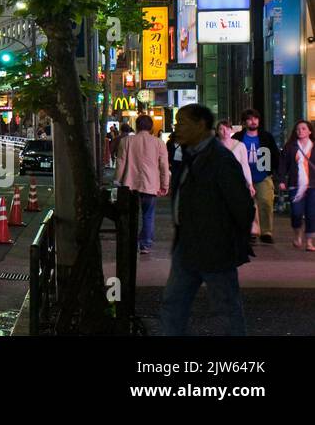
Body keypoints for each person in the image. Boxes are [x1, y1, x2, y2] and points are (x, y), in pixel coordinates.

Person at [159, 105, 254, 336]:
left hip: (215, 247)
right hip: (189, 244)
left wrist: (230, 241)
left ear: (201, 125)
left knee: (225, 309)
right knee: (174, 304)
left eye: (182, 122)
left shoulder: (220, 159)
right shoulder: (192, 156)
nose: (176, 127)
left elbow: (243, 207)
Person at [114, 113, 170, 255]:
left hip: (129, 184)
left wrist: (117, 180)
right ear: (151, 127)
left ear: (136, 126)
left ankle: (129, 242)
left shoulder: (126, 141)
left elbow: (120, 162)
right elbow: (164, 166)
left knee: (130, 215)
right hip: (150, 184)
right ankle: (145, 244)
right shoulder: (159, 143)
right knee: (148, 215)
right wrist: (165, 185)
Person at [233, 110, 279, 245]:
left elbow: (275, 154)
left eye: (255, 119)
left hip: (262, 175)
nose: (253, 121)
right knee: (248, 205)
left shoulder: (266, 137)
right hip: (243, 177)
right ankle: (251, 231)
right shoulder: (238, 137)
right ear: (244, 122)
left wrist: (272, 171)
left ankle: (266, 232)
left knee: (266, 202)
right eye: (249, 119)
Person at [277, 120, 315, 251]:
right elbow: (282, 165)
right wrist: (281, 180)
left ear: (310, 131)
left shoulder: (314, 147)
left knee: (311, 214)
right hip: (295, 184)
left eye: (304, 129)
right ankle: (298, 235)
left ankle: (309, 242)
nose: (301, 131)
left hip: (312, 185)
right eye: (298, 129)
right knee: (296, 213)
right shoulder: (290, 147)